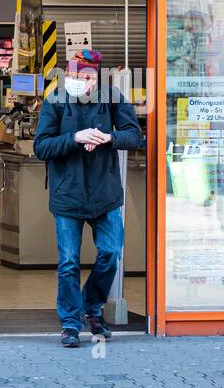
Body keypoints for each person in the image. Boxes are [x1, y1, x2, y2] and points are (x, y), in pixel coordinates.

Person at [33, 48, 145, 347]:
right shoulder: (55, 100)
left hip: (105, 193)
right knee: (68, 261)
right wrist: (74, 138)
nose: (74, 80)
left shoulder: (113, 98)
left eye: (81, 76)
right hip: (67, 194)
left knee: (111, 253)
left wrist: (110, 138)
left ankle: (91, 307)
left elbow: (135, 135)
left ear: (95, 78)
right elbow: (41, 147)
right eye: (70, 74)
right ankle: (70, 323)